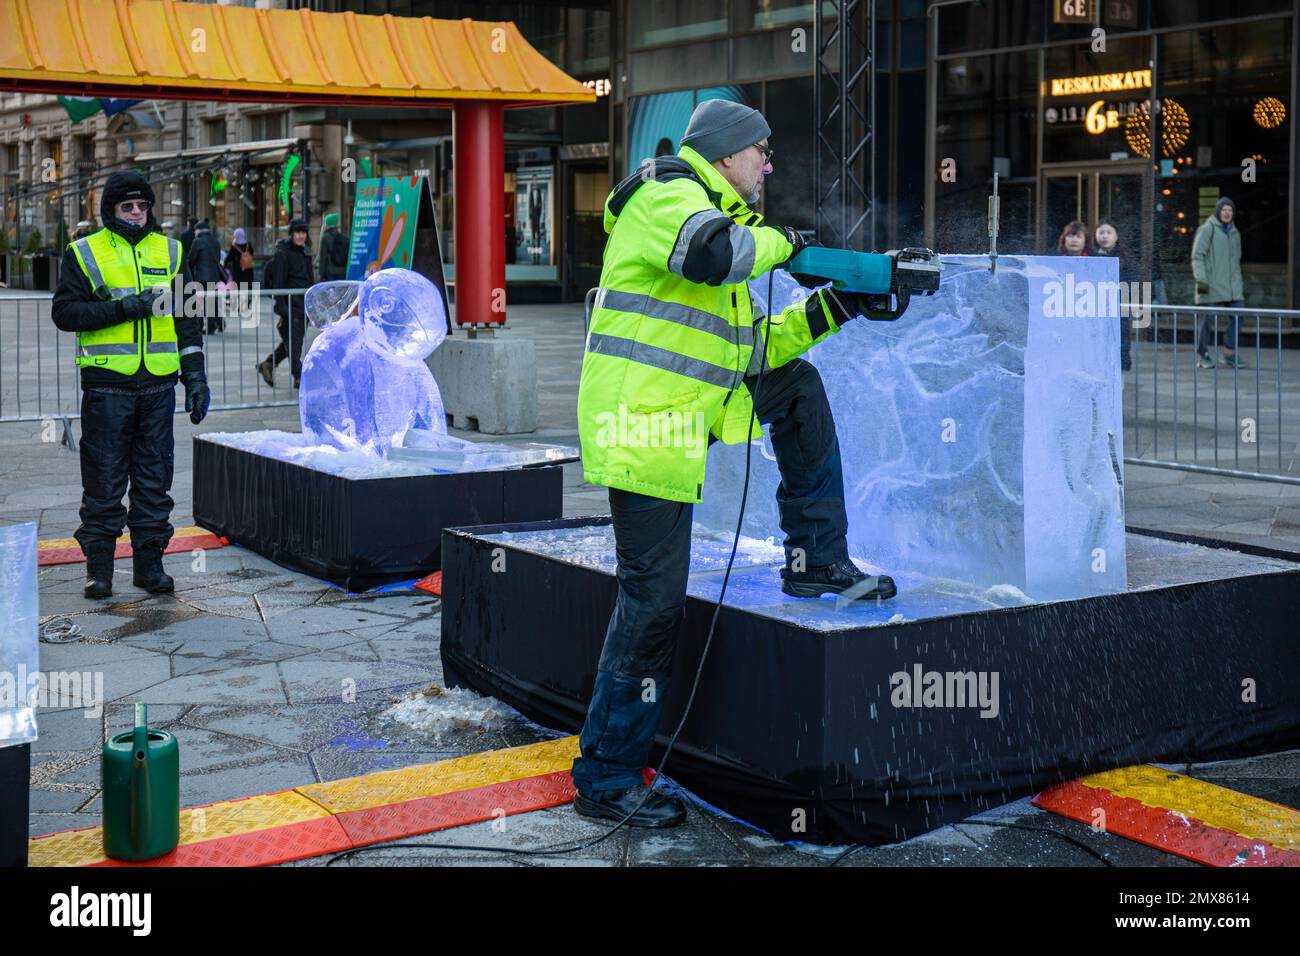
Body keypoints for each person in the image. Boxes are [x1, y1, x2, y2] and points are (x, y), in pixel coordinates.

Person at [571, 99, 894, 828]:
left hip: (683, 413)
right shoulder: (665, 194)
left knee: (799, 390)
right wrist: (787, 244)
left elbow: (756, 352)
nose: (769, 164)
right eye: (761, 151)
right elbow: (714, 255)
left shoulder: (717, 216)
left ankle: (815, 558)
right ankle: (606, 774)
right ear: (723, 154)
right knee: (652, 606)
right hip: (642, 427)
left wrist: (841, 304)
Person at [50, 171, 209, 600]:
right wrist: (125, 309)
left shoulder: (172, 251)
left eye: (143, 207)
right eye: (127, 207)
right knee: (103, 483)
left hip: (158, 386)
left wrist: (195, 376)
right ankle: (99, 571)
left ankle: (149, 567)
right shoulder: (85, 252)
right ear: (110, 210)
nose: (137, 214)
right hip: (107, 387)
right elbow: (65, 313)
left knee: (154, 481)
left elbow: (187, 318)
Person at [257, 219, 314, 389]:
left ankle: (268, 364)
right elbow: (279, 282)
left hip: (303, 305)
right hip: (290, 305)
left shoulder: (306, 251)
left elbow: (308, 277)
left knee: (292, 342)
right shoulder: (283, 253)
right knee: (294, 343)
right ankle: (299, 375)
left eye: (303, 233)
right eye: (297, 232)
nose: (300, 236)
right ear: (291, 233)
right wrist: (281, 307)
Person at [1191, 196, 1246, 369]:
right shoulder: (1208, 229)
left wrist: (1238, 282)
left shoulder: (1235, 232)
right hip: (1210, 283)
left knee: (1239, 314)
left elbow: (1236, 260)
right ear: (1218, 211)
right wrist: (1202, 279)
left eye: (1230, 210)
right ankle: (1203, 355)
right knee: (1206, 321)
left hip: (1232, 286)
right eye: (1224, 210)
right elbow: (1197, 256)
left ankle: (1229, 353)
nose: (1227, 213)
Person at [1092, 219, 1139, 371]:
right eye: (1101, 232)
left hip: (1119, 307)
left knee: (1120, 340)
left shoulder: (1126, 257)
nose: (1104, 236)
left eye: (1109, 232)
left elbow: (1132, 283)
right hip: (1096, 308)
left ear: (1116, 236)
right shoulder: (1090, 256)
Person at [188, 220, 225, 334]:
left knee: (200, 302)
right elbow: (218, 258)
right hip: (214, 276)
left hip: (201, 277)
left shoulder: (197, 242)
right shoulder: (215, 242)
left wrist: (189, 272)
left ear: (198, 231)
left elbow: (192, 259)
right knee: (212, 301)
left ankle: (203, 326)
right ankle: (217, 324)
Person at [315, 213, 350, 281]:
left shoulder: (325, 238)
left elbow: (323, 258)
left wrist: (321, 275)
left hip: (330, 272)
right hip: (343, 271)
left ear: (327, 224)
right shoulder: (344, 238)